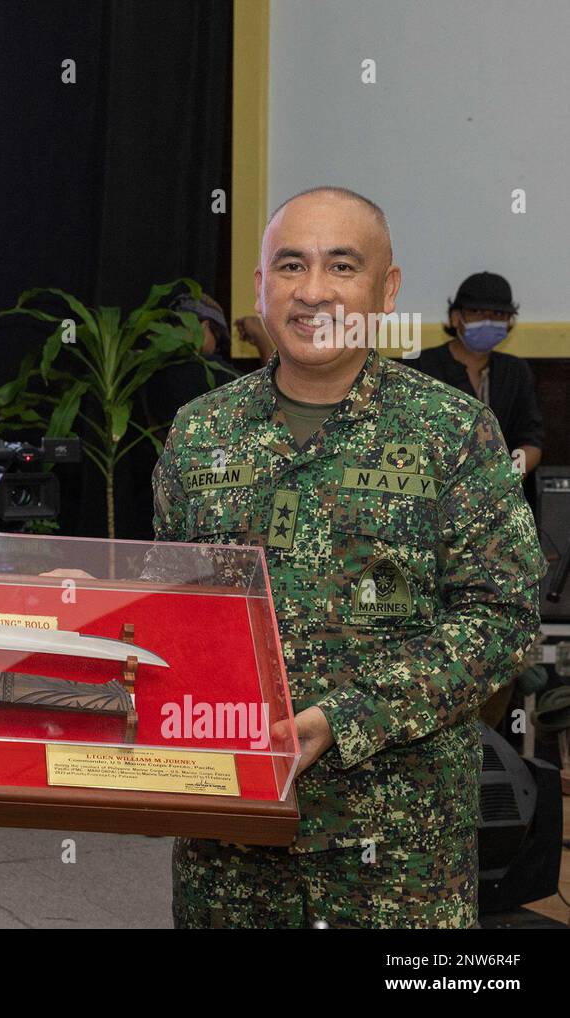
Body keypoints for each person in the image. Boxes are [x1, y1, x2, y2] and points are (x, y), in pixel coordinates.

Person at [152, 186, 544, 927]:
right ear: (261, 286)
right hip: (231, 853)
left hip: (398, 859)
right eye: (291, 265)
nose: (313, 291)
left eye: (341, 266)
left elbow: (502, 621)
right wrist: (92, 602)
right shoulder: (200, 433)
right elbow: (178, 604)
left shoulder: (452, 432)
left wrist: (348, 716)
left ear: (385, 289)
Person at [411, 272, 543, 479]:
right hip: (434, 491)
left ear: (509, 323)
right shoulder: (419, 366)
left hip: (500, 495)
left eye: (499, 315)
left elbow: (531, 442)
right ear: (455, 318)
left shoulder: (516, 370)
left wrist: (506, 477)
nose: (488, 321)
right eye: (476, 312)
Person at [129, 291, 237, 539]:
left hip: (149, 505)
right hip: (212, 508)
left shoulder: (141, 376)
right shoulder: (222, 379)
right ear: (206, 327)